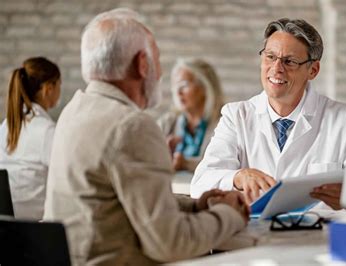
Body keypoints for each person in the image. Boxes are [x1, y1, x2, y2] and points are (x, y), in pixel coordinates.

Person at [43, 8, 248, 264]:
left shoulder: (74, 111)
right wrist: (229, 214)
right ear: (142, 64)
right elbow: (172, 244)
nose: (160, 74)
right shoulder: (132, 126)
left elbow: (120, 203)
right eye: (158, 60)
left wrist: (196, 205)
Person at [191, 18, 346, 210]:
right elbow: (200, 183)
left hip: (320, 237)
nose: (277, 68)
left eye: (289, 61)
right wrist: (238, 176)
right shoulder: (236, 116)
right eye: (270, 57)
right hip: (256, 236)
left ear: (313, 70)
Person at [0, 57, 61, 220]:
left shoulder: (5, 126)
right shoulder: (46, 130)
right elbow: (64, 178)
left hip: (6, 226)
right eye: (59, 85)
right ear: (48, 88)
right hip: (33, 230)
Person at [159, 58, 224, 171]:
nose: (178, 93)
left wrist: (186, 164)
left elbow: (225, 164)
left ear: (204, 87)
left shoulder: (225, 123)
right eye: (175, 87)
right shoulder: (168, 122)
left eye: (184, 85)